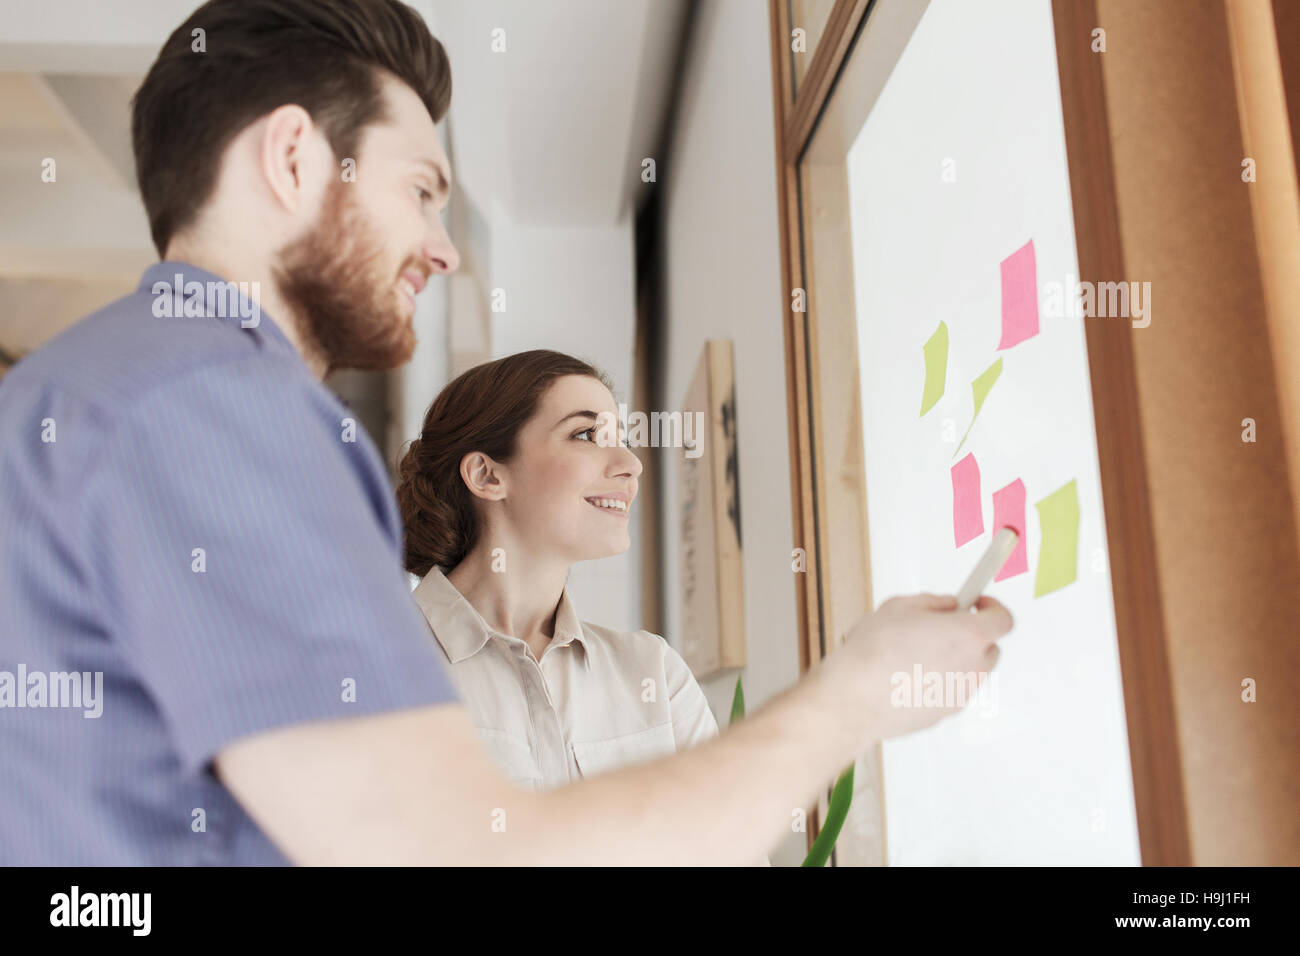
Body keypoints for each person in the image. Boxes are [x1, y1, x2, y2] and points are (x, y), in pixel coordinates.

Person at [0, 0, 1012, 866]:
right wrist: (857, 696)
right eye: (422, 190)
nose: (442, 249)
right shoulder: (221, 404)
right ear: (295, 156)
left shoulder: (85, 390)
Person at [396, 349, 771, 864]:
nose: (630, 464)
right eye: (586, 435)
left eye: (620, 438)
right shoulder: (375, 667)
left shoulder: (654, 673)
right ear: (486, 475)